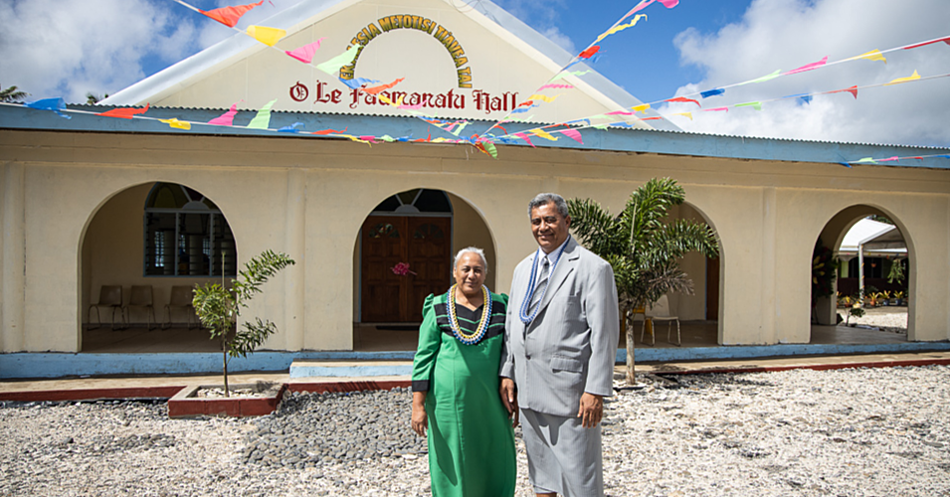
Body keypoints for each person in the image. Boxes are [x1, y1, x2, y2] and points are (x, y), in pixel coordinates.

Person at [500, 193, 620, 497]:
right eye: (537, 221)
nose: (543, 227)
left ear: (566, 221)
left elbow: (604, 334)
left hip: (571, 396)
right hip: (528, 394)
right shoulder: (522, 269)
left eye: (551, 220)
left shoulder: (593, 268)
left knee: (580, 482)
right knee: (542, 479)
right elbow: (512, 324)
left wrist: (595, 390)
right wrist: (507, 373)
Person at [411, 247, 517, 497]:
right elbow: (423, 357)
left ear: (486, 273)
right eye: (465, 269)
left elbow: (512, 352)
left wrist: (513, 386)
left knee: (494, 452)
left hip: (491, 401)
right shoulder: (438, 306)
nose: (471, 275)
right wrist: (418, 405)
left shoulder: (501, 306)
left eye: (477, 270)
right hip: (448, 405)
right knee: (453, 456)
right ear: (454, 272)